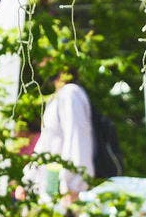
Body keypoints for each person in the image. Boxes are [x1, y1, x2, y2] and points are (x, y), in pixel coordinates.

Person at [25, 70, 97, 199]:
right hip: (49, 189)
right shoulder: (57, 96)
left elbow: (77, 142)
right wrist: (28, 181)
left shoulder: (70, 94)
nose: (39, 63)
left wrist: (73, 189)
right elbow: (46, 145)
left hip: (63, 192)